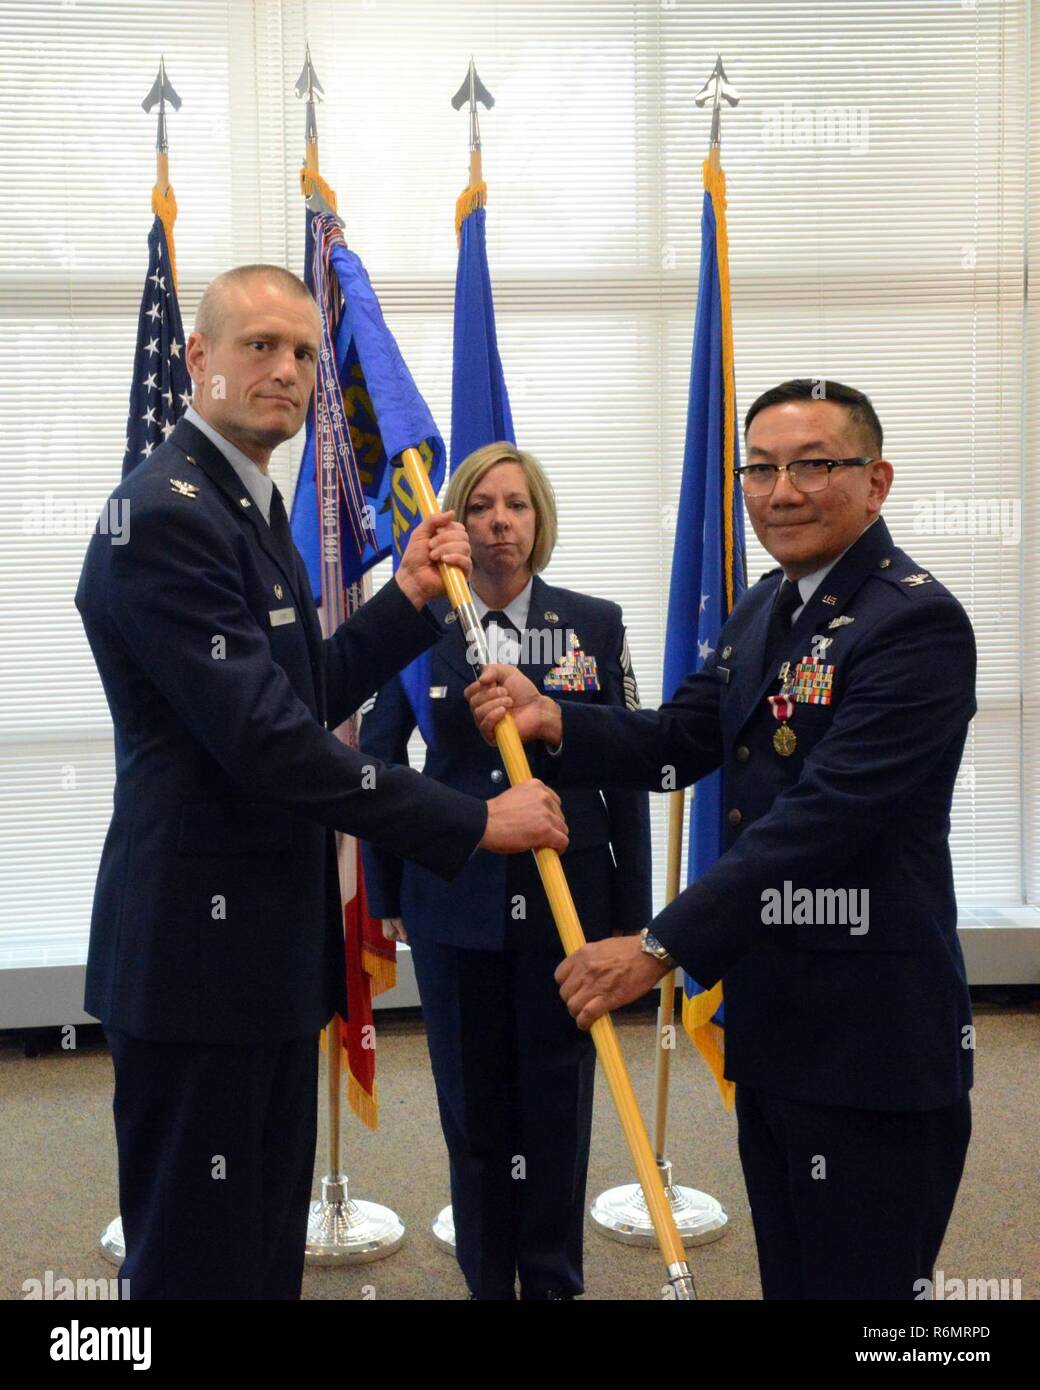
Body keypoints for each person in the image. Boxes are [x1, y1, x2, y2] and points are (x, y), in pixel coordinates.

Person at [75, 265, 567, 1300]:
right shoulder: (166, 515)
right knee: (197, 1257)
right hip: (194, 960)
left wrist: (408, 601)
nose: (289, 371)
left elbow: (294, 695)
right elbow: (268, 743)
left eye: (303, 352)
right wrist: (472, 821)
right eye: (259, 345)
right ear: (197, 358)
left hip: (256, 947)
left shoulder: (242, 504)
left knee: (256, 1247)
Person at [468, 380, 976, 1301]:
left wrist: (659, 945)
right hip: (778, 1019)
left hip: (871, 1037)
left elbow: (819, 822)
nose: (782, 491)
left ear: (877, 481)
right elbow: (676, 742)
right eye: (762, 468)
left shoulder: (917, 626)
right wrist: (556, 719)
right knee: (795, 1275)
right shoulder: (769, 610)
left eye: (814, 465)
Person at [360, 442, 652, 1300]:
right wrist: (388, 894)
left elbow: (625, 769)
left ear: (539, 518)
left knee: (557, 1114)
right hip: (458, 906)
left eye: (517, 505)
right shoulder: (421, 632)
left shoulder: (593, 623)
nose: (499, 522)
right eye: (481, 505)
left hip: (572, 913)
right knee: (476, 1119)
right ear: (456, 520)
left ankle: (555, 1285)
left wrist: (631, 917)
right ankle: (490, 1284)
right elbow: (378, 766)